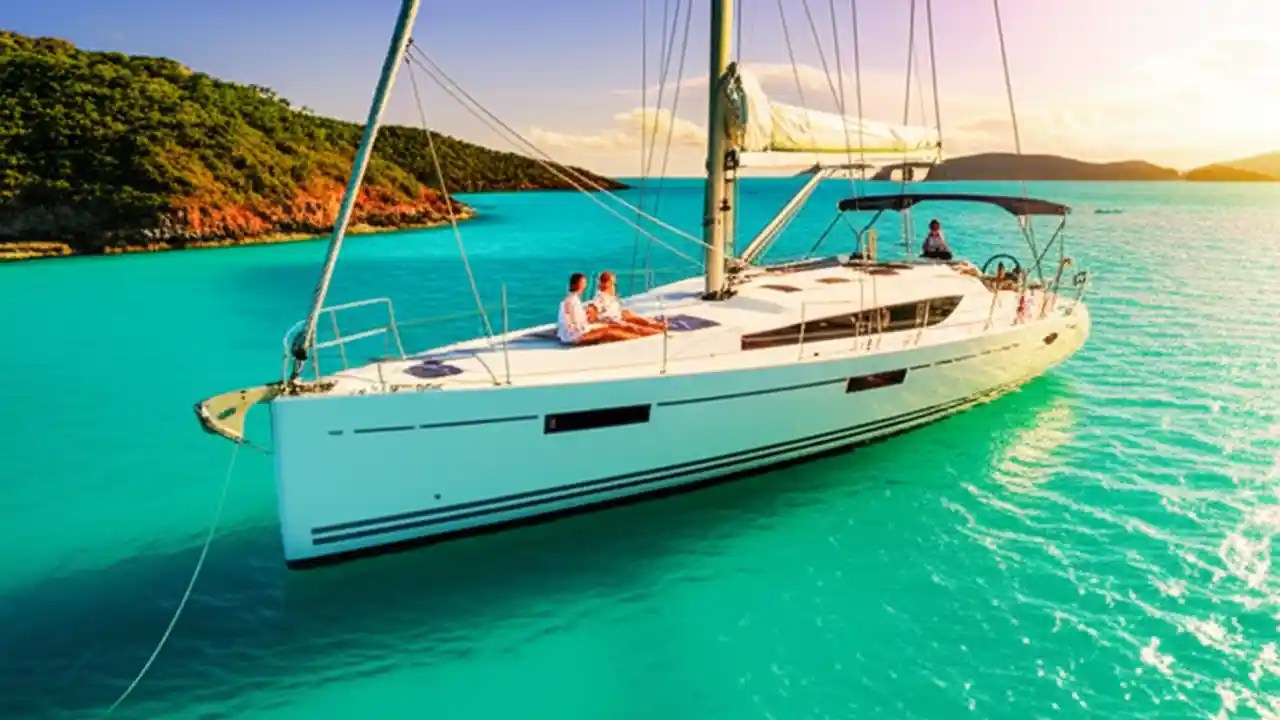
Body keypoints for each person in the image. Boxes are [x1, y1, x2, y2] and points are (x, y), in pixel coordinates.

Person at [557, 272, 645, 345]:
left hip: (577, 331)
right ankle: (639, 341)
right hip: (575, 335)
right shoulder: (570, 299)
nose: (585, 285)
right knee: (608, 332)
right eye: (584, 282)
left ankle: (639, 337)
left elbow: (573, 317)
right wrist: (580, 327)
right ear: (578, 284)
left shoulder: (573, 298)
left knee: (610, 327)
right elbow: (569, 319)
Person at [588, 271, 666, 335]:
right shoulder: (600, 297)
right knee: (632, 327)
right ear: (606, 283)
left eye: (614, 284)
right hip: (612, 321)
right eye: (613, 283)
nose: (614, 286)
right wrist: (598, 321)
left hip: (617, 317)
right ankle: (658, 333)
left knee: (631, 315)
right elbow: (592, 309)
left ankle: (658, 326)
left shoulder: (609, 296)